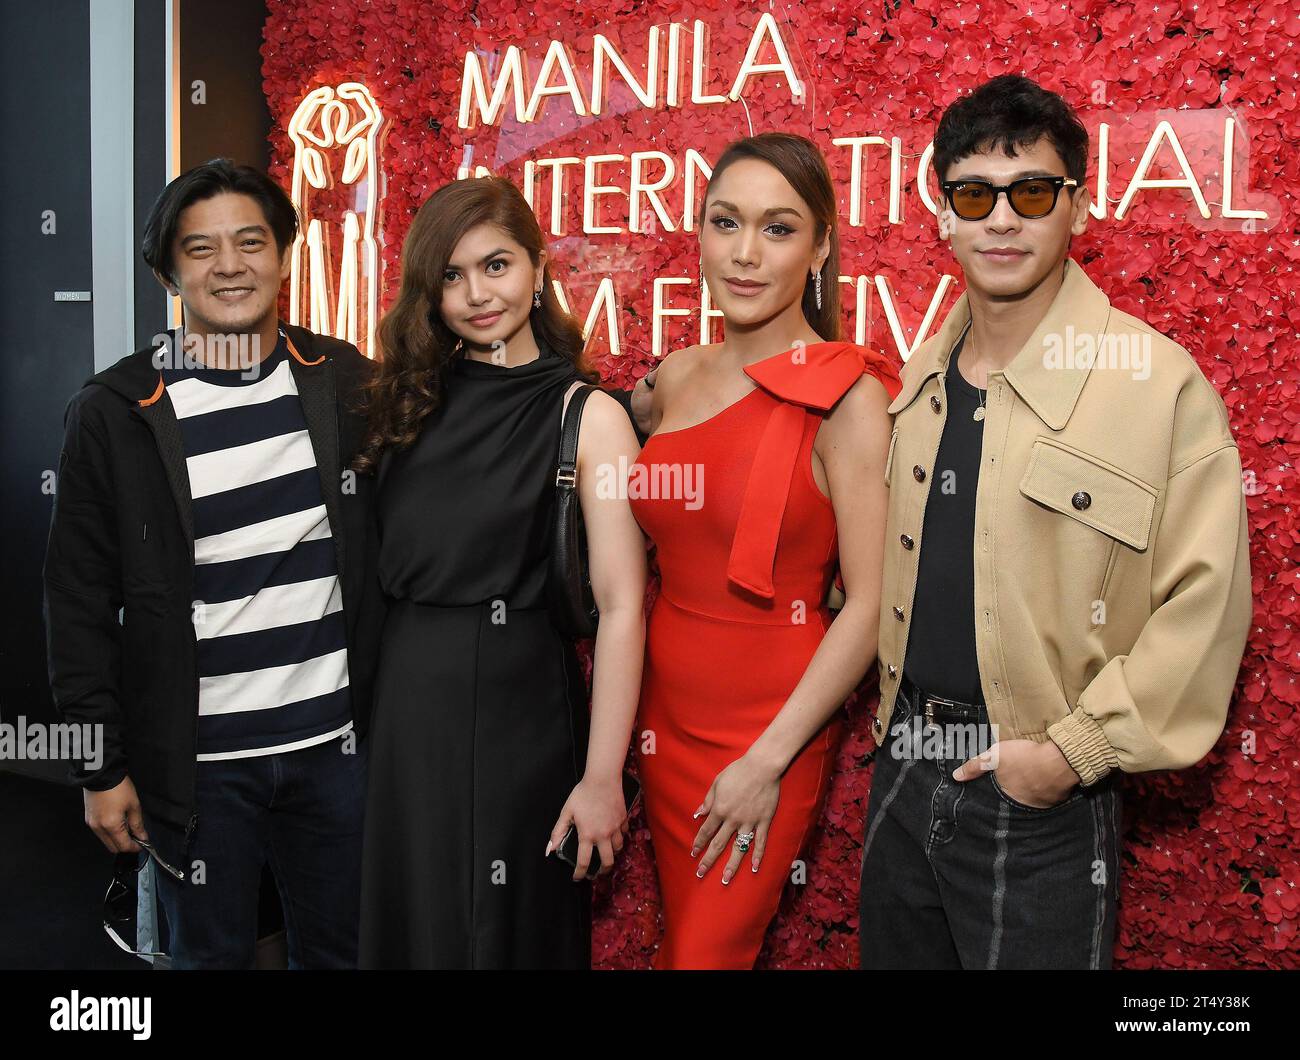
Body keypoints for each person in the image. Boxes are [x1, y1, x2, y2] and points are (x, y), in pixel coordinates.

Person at [860, 75, 1253, 969]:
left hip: (1039, 799)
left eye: (1032, 192)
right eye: (974, 195)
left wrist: (1070, 757)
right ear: (943, 213)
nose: (1002, 220)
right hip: (907, 760)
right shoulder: (920, 378)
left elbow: (1208, 608)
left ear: (1077, 208)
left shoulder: (1156, 386)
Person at [43, 159, 384, 968]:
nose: (229, 265)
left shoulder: (345, 384)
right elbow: (76, 604)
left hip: (335, 756)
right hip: (197, 774)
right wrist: (98, 767)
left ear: (285, 255)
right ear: (168, 272)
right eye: (200, 249)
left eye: (250, 241)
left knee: (345, 957)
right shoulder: (117, 413)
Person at [354, 175, 646, 969]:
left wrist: (601, 777)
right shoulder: (407, 400)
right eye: (451, 276)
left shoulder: (590, 416)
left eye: (497, 265)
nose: (477, 294)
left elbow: (623, 607)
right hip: (406, 709)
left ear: (539, 266)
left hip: (518, 710)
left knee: (501, 932)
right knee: (412, 926)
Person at [628, 132, 900, 968]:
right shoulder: (672, 378)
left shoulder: (848, 400)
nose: (745, 254)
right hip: (660, 720)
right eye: (725, 223)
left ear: (821, 246)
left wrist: (768, 761)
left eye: (779, 229)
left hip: (763, 735)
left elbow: (871, 606)